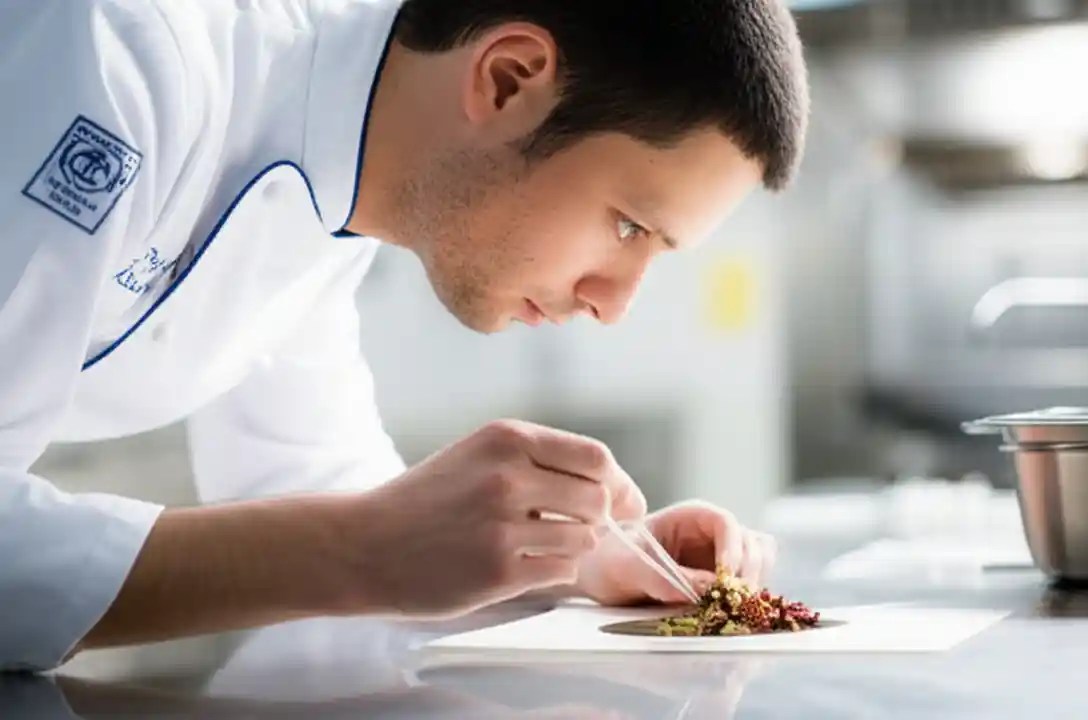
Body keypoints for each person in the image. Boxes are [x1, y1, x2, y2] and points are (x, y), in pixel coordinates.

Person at [0, 0, 809, 671]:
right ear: (507, 79)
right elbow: (344, 538)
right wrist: (362, 550)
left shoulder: (351, 186)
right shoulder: (120, 57)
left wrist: (573, 555)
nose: (614, 303)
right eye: (630, 226)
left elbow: (302, 484)